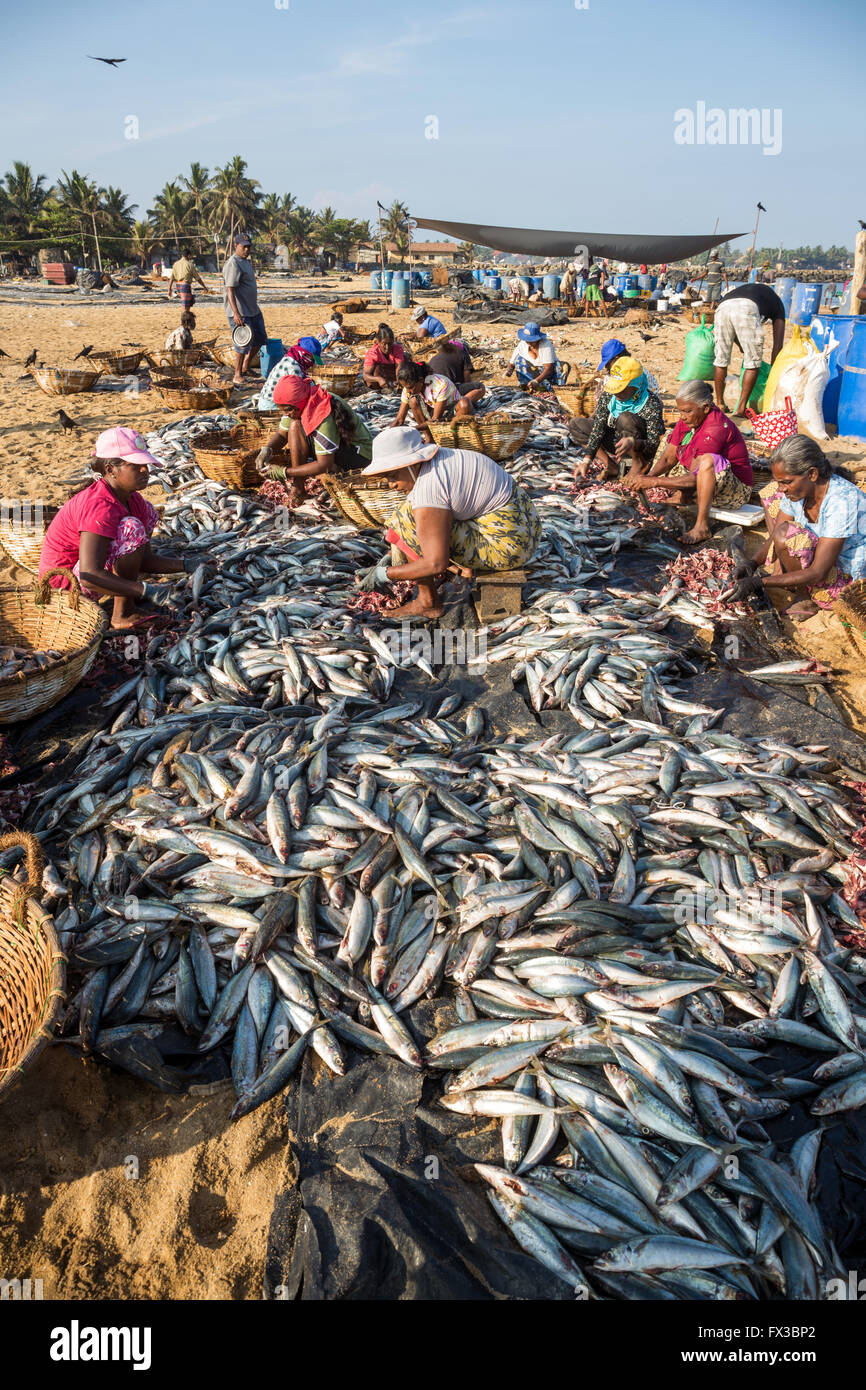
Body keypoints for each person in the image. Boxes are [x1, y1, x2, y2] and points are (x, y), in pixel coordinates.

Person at [356, 426, 541, 619]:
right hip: (526, 526)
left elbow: (435, 564)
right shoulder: (443, 459)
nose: (391, 484)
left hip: (510, 546)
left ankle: (427, 603)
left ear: (412, 464)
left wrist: (384, 574)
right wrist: (399, 552)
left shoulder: (429, 487)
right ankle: (463, 568)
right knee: (410, 516)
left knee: (405, 521)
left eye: (393, 476)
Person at [37, 427, 193, 630]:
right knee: (131, 528)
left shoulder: (134, 500)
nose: (145, 470)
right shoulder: (98, 505)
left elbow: (143, 560)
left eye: (145, 464)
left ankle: (126, 601)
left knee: (146, 513)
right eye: (135, 465)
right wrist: (144, 590)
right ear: (110, 470)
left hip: (90, 574)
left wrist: (187, 565)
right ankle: (122, 613)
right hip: (64, 587)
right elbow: (89, 575)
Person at [740, 435, 866, 619]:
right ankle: (785, 569)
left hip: (844, 579)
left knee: (787, 535)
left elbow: (818, 572)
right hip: (819, 556)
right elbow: (775, 533)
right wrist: (752, 563)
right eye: (780, 480)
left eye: (787, 482)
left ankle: (805, 596)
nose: (782, 487)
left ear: (812, 474)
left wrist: (759, 582)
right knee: (771, 495)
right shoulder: (801, 491)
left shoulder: (842, 501)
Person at [625, 378, 753, 545]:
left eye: (687, 411)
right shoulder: (691, 418)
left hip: (734, 491)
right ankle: (684, 496)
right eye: (681, 411)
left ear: (705, 408)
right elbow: (668, 457)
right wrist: (647, 479)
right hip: (702, 478)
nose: (683, 417)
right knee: (670, 440)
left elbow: (695, 477)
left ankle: (702, 526)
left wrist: (654, 482)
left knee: (707, 461)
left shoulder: (714, 428)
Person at [256, 375, 373, 505]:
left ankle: (298, 487)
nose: (286, 414)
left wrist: (284, 472)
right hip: (340, 448)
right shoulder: (301, 402)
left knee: (295, 425)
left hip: (359, 456)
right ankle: (327, 472)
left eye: (287, 410)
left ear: (297, 403)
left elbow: (324, 464)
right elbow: (282, 435)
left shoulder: (320, 411)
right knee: (294, 425)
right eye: (282, 410)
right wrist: (267, 450)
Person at [575, 356, 664, 481]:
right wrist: (586, 460)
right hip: (617, 443)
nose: (616, 393)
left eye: (621, 389)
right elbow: (598, 428)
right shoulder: (609, 396)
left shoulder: (650, 402)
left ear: (635, 385)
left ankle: (638, 462)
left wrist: (634, 443)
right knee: (577, 424)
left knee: (625, 418)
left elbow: (655, 443)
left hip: (640, 447)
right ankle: (611, 465)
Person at [713, 282, 786, 417]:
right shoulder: (779, 307)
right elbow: (778, 345)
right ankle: (741, 409)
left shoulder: (754, 291)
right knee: (753, 361)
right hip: (747, 308)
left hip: (722, 307)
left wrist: (742, 345)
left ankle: (719, 404)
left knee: (721, 359)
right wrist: (773, 371)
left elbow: (734, 329)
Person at [223, 232, 268, 387]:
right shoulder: (233, 263)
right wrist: (236, 313)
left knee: (261, 338)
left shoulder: (246, 262)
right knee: (242, 343)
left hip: (253, 309)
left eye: (249, 247)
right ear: (236, 246)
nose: (247, 250)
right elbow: (230, 290)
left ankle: (246, 366)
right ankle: (237, 374)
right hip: (241, 311)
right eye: (244, 247)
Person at [395, 361, 483, 429]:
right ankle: (429, 437)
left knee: (465, 403)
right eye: (405, 387)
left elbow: (435, 419)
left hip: (452, 411)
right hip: (433, 411)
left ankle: (453, 431)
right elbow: (399, 419)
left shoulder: (440, 384)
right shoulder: (408, 388)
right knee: (412, 401)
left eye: (411, 387)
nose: (408, 391)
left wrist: (414, 429)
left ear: (421, 381)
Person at [256, 337, 323, 411]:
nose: (312, 362)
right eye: (312, 359)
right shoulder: (293, 366)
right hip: (271, 405)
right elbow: (299, 394)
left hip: (272, 401)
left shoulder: (292, 359)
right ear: (304, 355)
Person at [504, 322, 569, 390]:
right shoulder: (522, 344)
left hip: (546, 374)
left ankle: (551, 388)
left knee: (563, 367)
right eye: (527, 341)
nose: (529, 343)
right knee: (519, 361)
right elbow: (512, 362)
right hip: (530, 371)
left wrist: (536, 381)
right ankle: (526, 386)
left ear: (538, 339)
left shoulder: (546, 344)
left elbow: (548, 368)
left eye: (532, 341)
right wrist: (509, 371)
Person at [596, 338, 661, 396]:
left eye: (608, 364)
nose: (606, 367)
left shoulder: (635, 372)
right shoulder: (632, 368)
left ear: (617, 359)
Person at [362, 323, 408, 391]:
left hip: (392, 377)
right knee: (376, 369)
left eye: (390, 344)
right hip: (379, 380)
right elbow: (365, 375)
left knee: (407, 361)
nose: (387, 347)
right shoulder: (373, 353)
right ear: (378, 342)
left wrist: (399, 381)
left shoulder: (397, 348)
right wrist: (378, 379)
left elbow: (399, 367)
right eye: (384, 344)